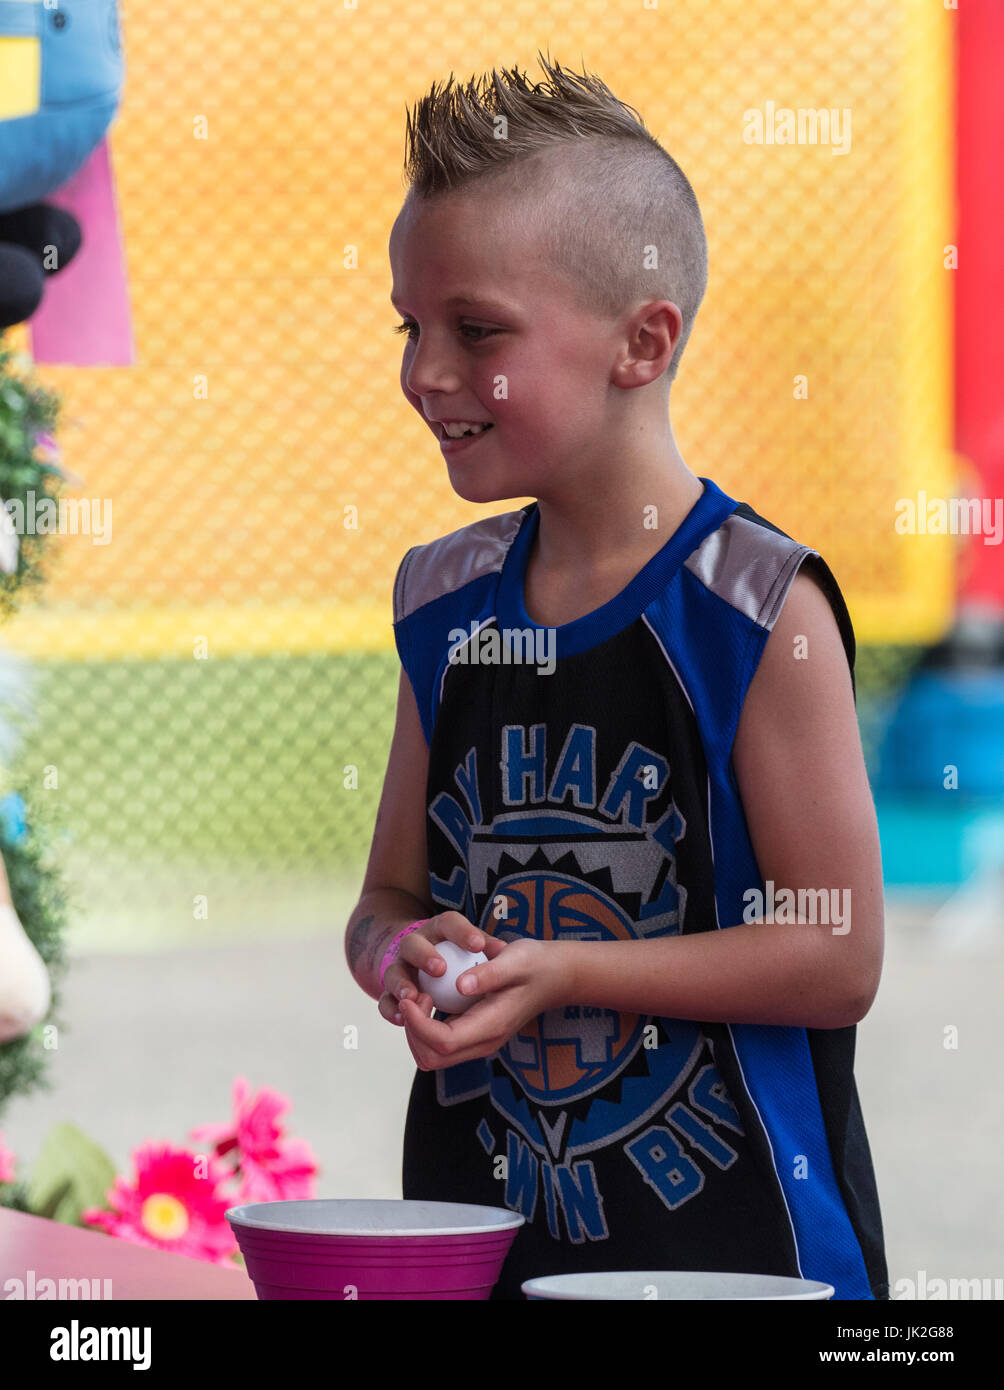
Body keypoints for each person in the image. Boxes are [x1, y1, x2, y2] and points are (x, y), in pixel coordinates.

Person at [345, 53, 888, 1301]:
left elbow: (839, 951)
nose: (422, 373)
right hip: (486, 1248)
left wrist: (575, 970)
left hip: (743, 1266)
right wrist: (400, 957)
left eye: (474, 330)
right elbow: (381, 896)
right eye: (409, 326)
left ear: (641, 342)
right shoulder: (439, 602)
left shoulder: (755, 607)